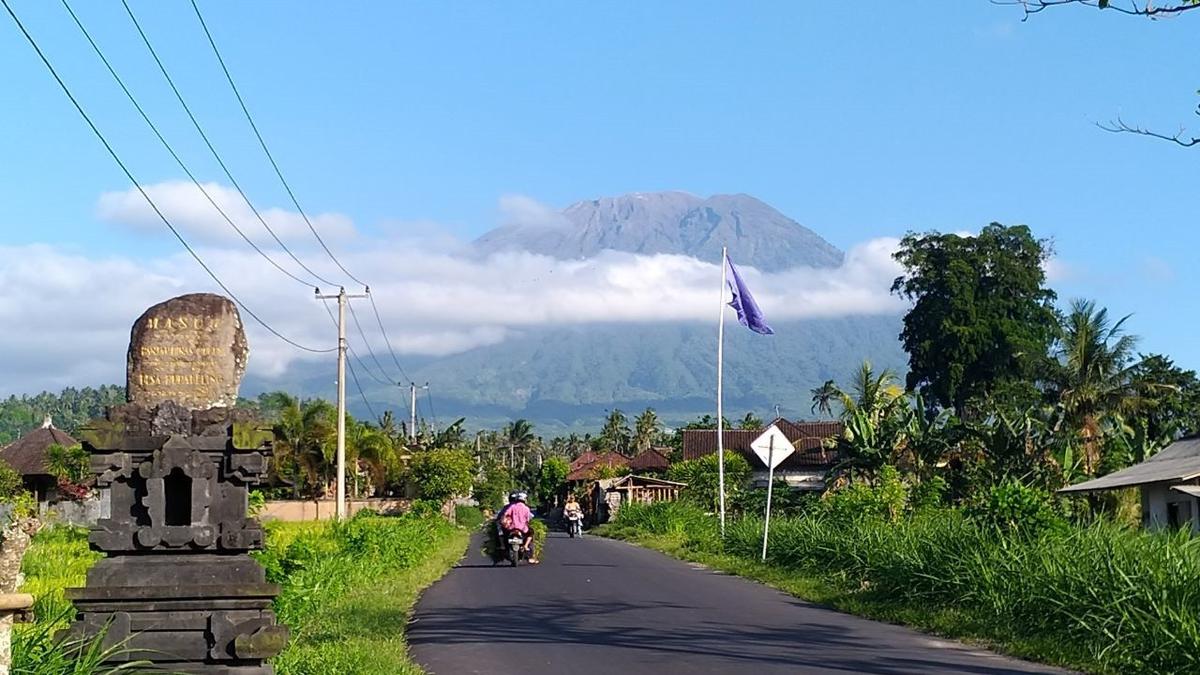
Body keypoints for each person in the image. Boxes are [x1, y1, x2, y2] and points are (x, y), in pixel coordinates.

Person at [498, 491, 538, 564]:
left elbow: (505, 514)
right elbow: (528, 519)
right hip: (523, 528)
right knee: (531, 533)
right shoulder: (526, 508)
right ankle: (526, 546)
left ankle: (503, 546)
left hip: (512, 527)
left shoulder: (512, 507)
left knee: (502, 534)